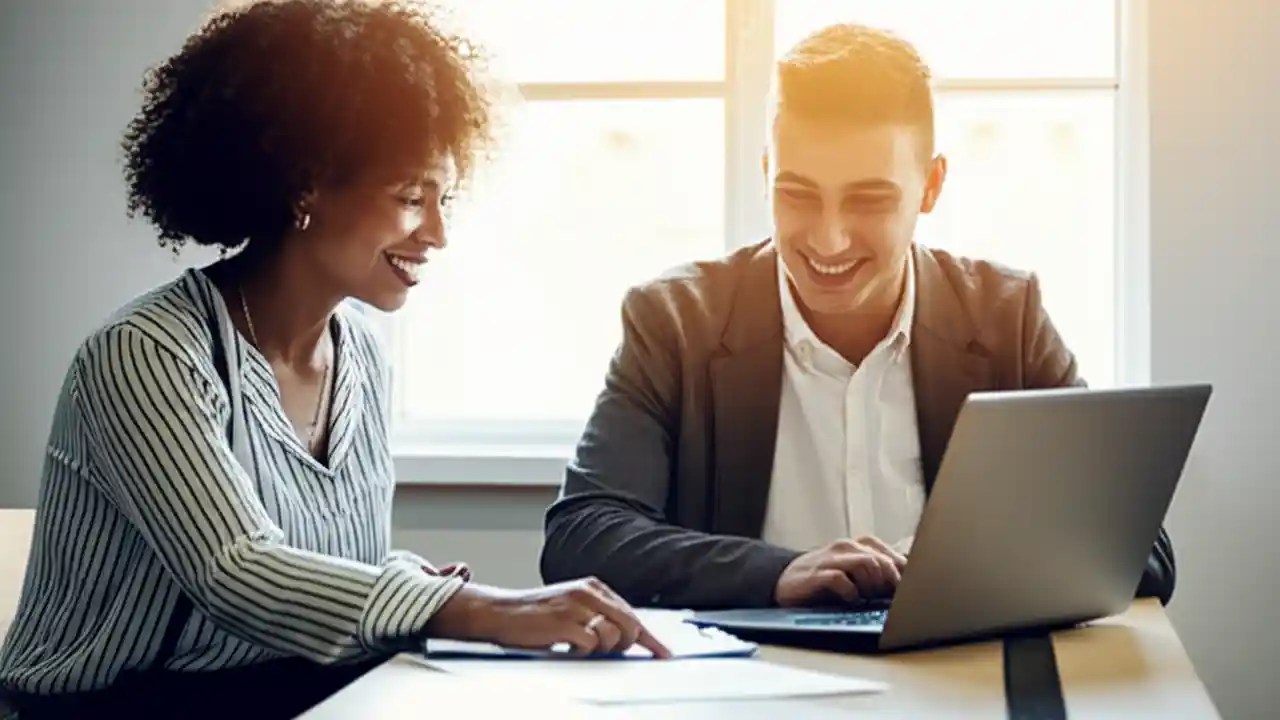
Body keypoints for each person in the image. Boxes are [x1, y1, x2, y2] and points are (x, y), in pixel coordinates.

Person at [0, 2, 666, 717]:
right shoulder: (145, 355)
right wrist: (479, 606)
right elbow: (237, 573)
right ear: (304, 185)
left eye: (445, 198)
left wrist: (404, 583)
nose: (437, 233)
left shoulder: (362, 355)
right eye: (412, 197)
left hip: (300, 696)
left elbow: (325, 571)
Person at [541, 23, 1175, 611]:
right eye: (796, 194)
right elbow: (582, 536)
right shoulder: (675, 323)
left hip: (959, 682)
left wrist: (941, 575)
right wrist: (777, 573)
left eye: (868, 200)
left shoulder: (1006, 318)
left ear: (930, 187)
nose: (830, 239)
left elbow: (1144, 552)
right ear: (766, 174)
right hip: (750, 683)